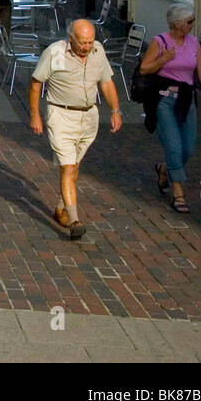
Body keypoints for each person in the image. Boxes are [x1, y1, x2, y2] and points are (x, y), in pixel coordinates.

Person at [28, 19, 122, 240]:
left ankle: (60, 209)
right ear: (71, 39)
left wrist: (116, 110)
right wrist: (35, 115)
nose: (87, 47)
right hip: (61, 115)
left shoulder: (98, 51)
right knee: (68, 167)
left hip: (88, 116)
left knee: (75, 166)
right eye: (82, 43)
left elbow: (106, 82)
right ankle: (74, 220)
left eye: (90, 42)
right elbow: (35, 83)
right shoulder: (56, 53)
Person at [139, 3, 201, 214]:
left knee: (188, 147)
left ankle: (165, 169)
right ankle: (178, 193)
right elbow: (144, 68)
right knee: (174, 146)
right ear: (177, 24)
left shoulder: (194, 43)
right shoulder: (161, 42)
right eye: (189, 21)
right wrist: (164, 59)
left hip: (186, 98)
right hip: (164, 98)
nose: (192, 25)